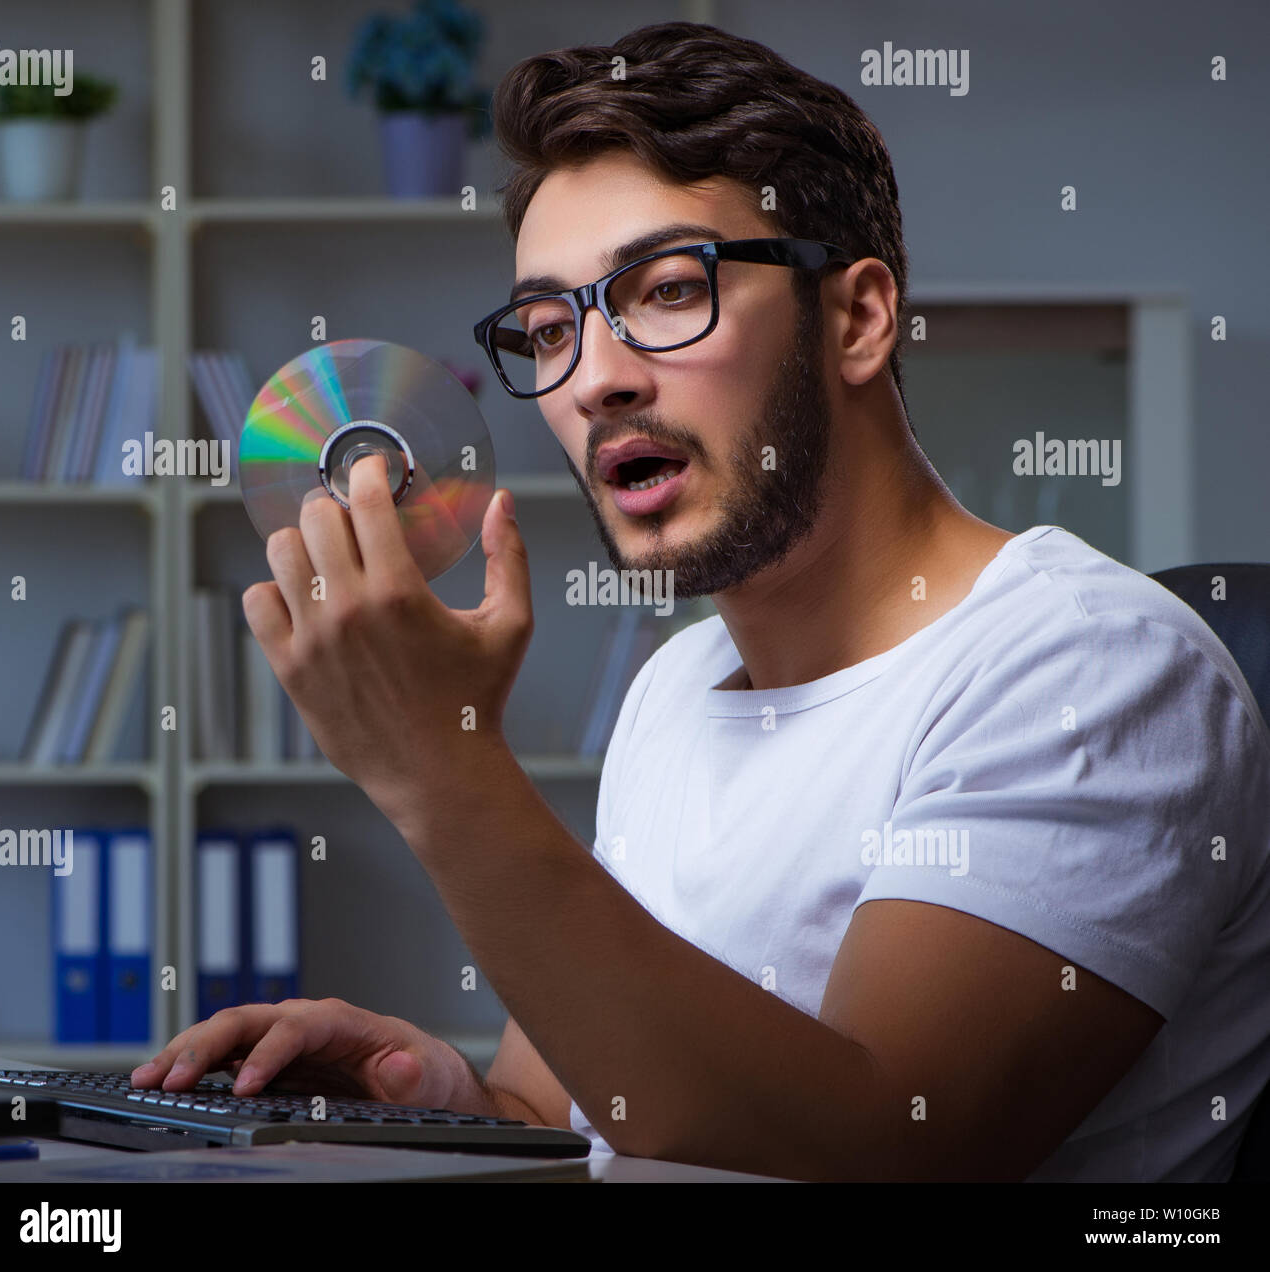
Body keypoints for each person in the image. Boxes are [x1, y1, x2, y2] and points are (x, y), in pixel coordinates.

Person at [131, 21, 1270, 1182]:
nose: (598, 376)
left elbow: (884, 1147)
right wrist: (447, 1096)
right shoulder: (675, 686)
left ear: (859, 318)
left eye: (670, 291)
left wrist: (440, 770)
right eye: (549, 330)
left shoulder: (1091, 667)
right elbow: (604, 1112)